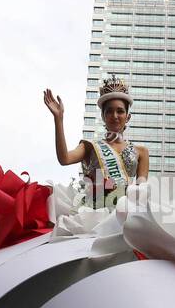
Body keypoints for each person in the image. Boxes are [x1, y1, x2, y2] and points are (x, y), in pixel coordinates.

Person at [44, 76, 149, 209]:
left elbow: (142, 190)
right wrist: (58, 119)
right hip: (94, 212)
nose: (115, 116)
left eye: (120, 111)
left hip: (124, 212)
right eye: (109, 111)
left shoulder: (142, 152)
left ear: (128, 117)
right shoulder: (90, 147)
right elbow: (64, 159)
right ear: (103, 116)